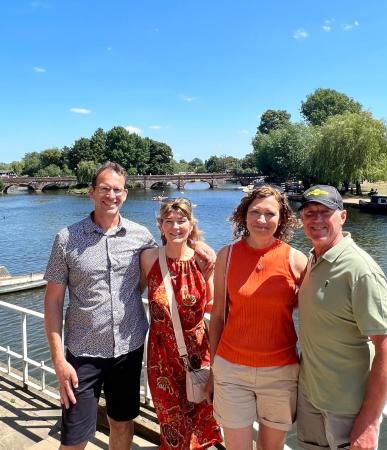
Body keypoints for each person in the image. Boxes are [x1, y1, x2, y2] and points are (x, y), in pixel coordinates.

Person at [43, 162, 215, 450]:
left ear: (125, 194)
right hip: (82, 352)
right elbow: (53, 301)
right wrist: (59, 360)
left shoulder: (140, 236)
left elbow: (172, 249)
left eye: (117, 190)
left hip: (128, 350)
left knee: (122, 424)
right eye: (104, 189)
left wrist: (198, 245)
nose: (111, 195)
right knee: (74, 438)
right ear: (91, 192)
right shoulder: (67, 238)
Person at [296, 185, 387, 450]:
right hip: (311, 397)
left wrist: (369, 423)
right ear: (302, 219)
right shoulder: (313, 260)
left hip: (346, 410)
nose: (317, 219)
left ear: (342, 217)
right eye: (310, 213)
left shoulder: (360, 270)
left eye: (325, 212)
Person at [206, 186, 307, 450]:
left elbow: (315, 313)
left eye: (270, 214)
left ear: (282, 219)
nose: (262, 220)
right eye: (255, 212)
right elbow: (217, 317)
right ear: (244, 215)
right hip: (231, 370)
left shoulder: (296, 260)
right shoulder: (227, 256)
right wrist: (214, 369)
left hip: (280, 373)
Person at [139, 199, 222, 450]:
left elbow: (214, 307)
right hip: (161, 358)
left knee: (200, 425)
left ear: (191, 224)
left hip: (198, 354)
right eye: (169, 221)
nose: (175, 227)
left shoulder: (203, 260)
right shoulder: (149, 258)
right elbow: (130, 294)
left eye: (181, 221)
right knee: (171, 425)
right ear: (160, 226)